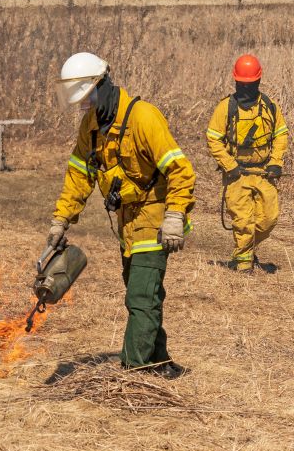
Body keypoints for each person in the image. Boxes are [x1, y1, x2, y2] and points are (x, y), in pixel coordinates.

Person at [47, 52, 196, 379]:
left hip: (155, 219)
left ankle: (135, 373)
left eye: (85, 97)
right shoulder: (92, 124)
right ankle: (161, 362)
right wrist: (61, 220)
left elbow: (181, 170)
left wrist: (174, 216)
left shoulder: (143, 117)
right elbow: (78, 176)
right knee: (142, 291)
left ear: (100, 85)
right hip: (127, 222)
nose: (82, 105)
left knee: (141, 295)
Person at [205, 54, 289, 273]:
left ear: (258, 82)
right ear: (235, 82)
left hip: (263, 173)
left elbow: (281, 134)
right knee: (243, 221)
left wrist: (275, 162)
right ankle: (243, 265)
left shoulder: (269, 106)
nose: (246, 88)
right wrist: (228, 164)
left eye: (249, 84)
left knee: (268, 219)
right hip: (236, 174)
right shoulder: (226, 107)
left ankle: (245, 251)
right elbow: (213, 138)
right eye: (242, 83)